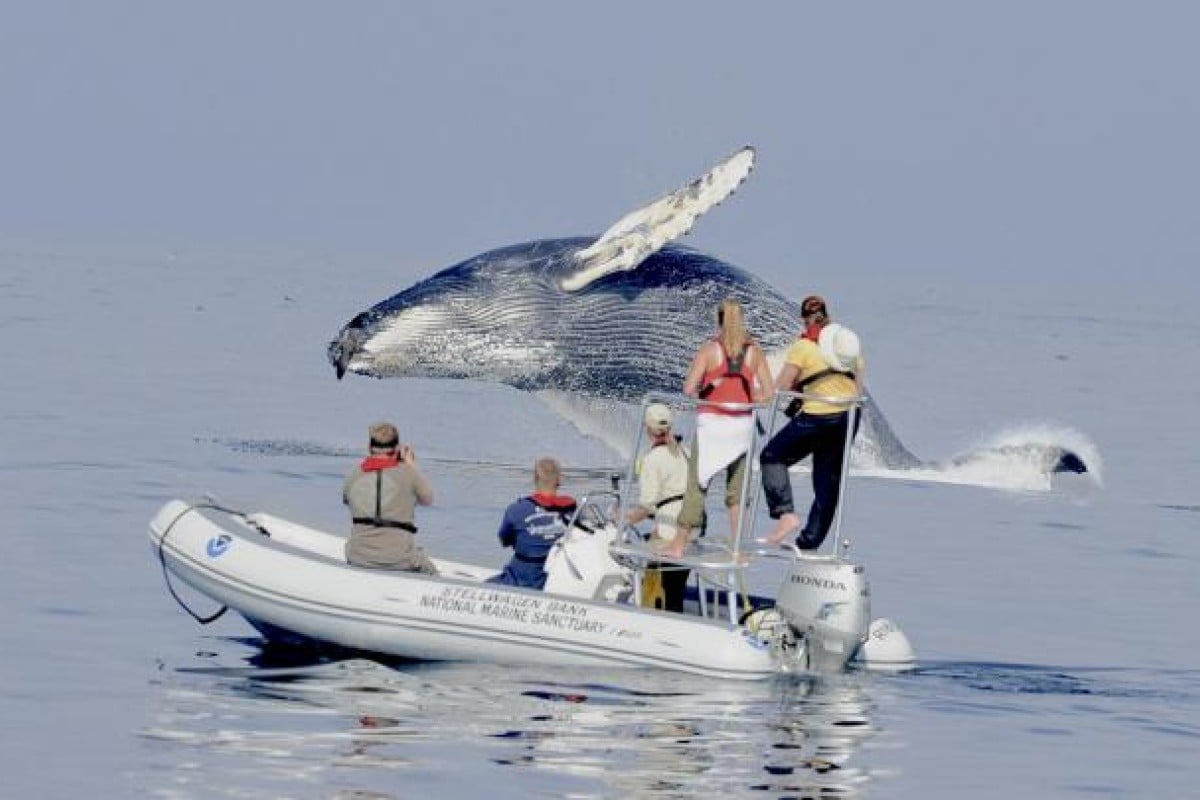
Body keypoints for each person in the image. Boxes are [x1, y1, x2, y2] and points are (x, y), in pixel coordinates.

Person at [761, 295, 864, 550]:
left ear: (805, 319)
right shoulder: (848, 346)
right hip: (848, 417)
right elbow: (857, 387)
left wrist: (764, 394)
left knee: (772, 457)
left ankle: (785, 514)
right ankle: (809, 543)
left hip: (818, 415)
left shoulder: (803, 347)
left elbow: (782, 386)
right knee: (827, 482)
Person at [678, 297, 774, 541]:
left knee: (698, 484)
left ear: (719, 321)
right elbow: (769, 394)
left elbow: (689, 389)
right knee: (737, 492)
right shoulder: (754, 352)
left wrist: (707, 390)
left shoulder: (709, 350)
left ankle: (679, 544)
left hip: (712, 428)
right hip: (741, 429)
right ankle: (739, 548)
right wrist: (748, 398)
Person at [343, 422, 438, 573]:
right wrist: (411, 465)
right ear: (397, 449)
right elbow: (428, 500)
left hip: (358, 556)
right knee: (432, 571)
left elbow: (347, 500)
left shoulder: (353, 475)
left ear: (369, 447)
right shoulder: (409, 474)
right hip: (400, 559)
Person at [625, 403, 692, 612]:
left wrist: (623, 520)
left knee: (662, 589)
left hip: (670, 530)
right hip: (693, 527)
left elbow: (646, 505)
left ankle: (658, 624)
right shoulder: (686, 452)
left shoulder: (652, 459)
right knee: (675, 587)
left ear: (648, 429)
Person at [489, 457, 577, 589]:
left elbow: (503, 541)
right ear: (559, 480)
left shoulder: (517, 510)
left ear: (535, 479)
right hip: (555, 580)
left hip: (521, 579)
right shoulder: (574, 511)